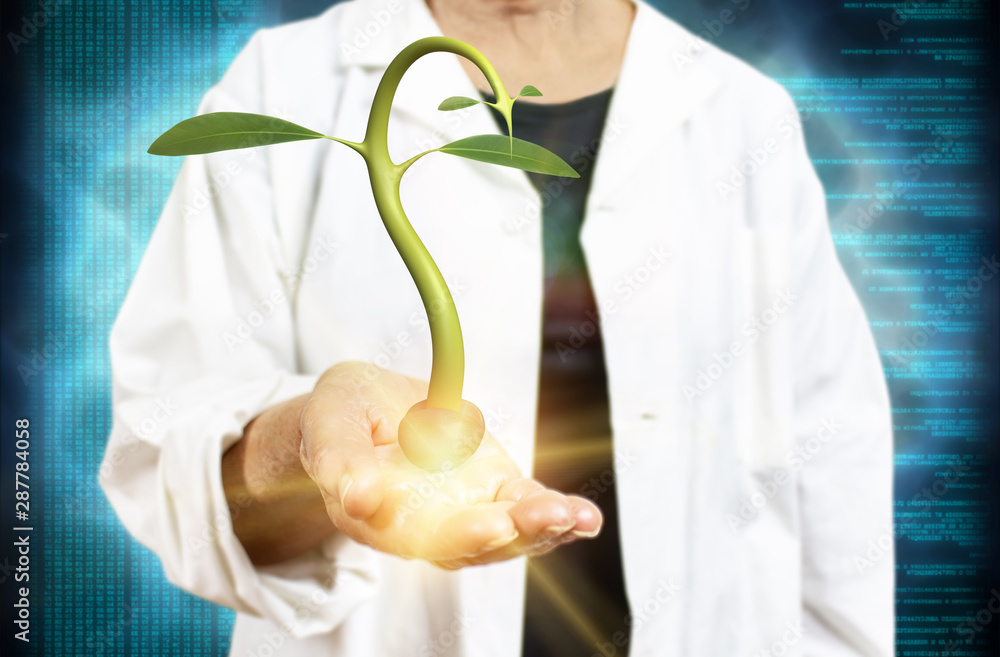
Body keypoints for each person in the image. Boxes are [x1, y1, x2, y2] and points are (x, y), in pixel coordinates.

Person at [100, 0, 895, 655]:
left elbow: (834, 456)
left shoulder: (745, 113)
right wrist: (310, 442)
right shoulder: (281, 87)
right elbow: (170, 458)